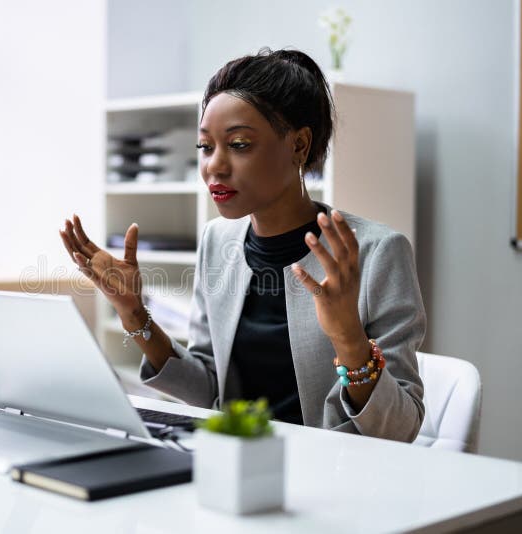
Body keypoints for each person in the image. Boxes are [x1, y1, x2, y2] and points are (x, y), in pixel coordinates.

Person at [60, 48, 425, 442]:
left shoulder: (377, 252)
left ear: (299, 146)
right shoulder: (217, 241)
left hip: (334, 473)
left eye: (238, 145)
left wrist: (349, 339)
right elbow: (209, 390)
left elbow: (401, 429)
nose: (214, 165)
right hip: (236, 461)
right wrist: (133, 313)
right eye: (205, 146)